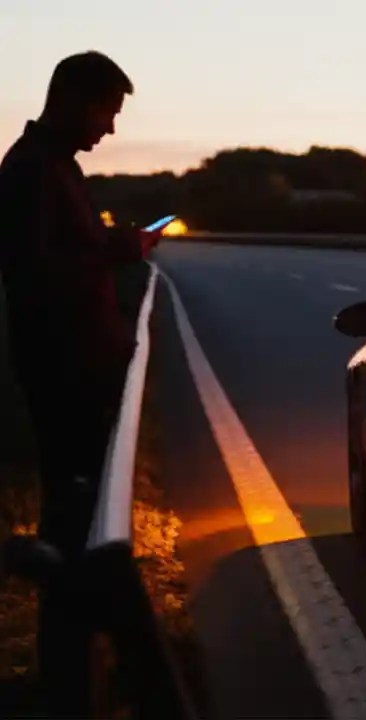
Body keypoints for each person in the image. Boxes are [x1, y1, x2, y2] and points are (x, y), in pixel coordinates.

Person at [0, 50, 160, 716]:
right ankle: (71, 683)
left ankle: (80, 673)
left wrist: (108, 247)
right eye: (107, 111)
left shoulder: (54, 168)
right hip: (65, 380)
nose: (110, 128)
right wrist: (118, 249)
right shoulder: (33, 171)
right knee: (73, 530)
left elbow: (63, 256)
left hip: (80, 373)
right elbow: (38, 275)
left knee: (81, 525)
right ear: (72, 99)